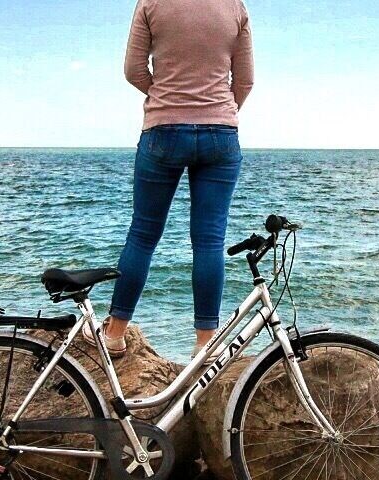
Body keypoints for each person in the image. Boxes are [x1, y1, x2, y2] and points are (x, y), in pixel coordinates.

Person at [104, 0, 255, 357]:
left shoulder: (151, 3)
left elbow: (133, 70)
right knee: (209, 241)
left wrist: (166, 96)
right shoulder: (234, 6)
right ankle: (205, 343)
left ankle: (115, 334)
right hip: (220, 132)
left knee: (142, 234)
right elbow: (246, 80)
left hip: (163, 130)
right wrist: (218, 110)